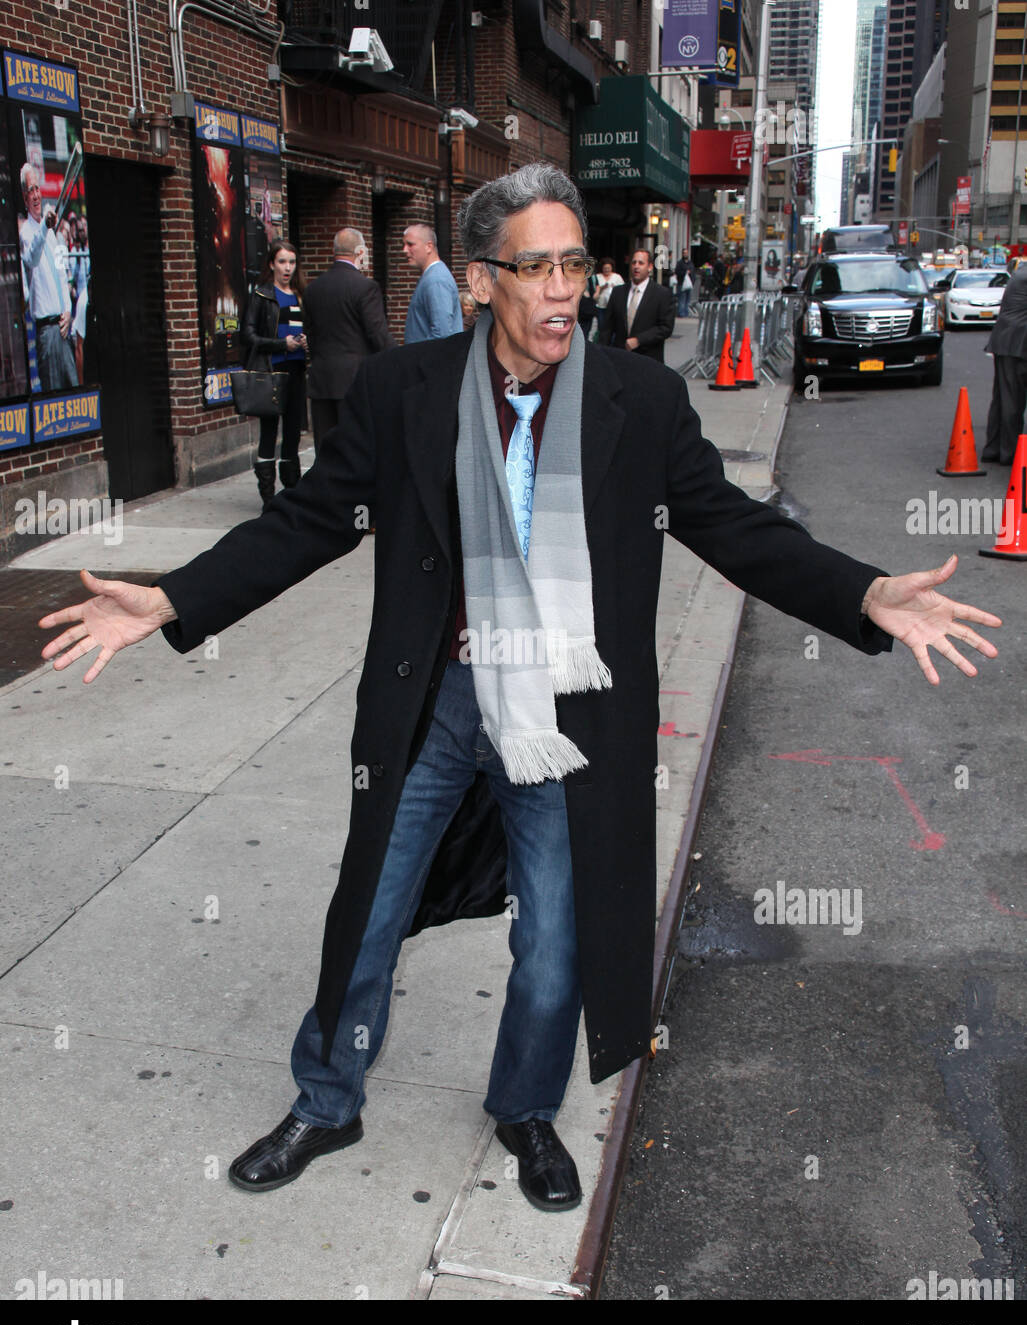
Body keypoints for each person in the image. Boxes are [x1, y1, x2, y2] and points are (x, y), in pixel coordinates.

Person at [39, 163, 1000, 1216]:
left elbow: (734, 527)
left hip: (566, 711)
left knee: (555, 943)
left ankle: (526, 1106)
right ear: (481, 278)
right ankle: (328, 1095)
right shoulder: (405, 390)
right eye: (533, 267)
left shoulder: (638, 399)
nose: (560, 291)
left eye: (573, 264)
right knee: (366, 910)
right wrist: (175, 599)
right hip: (435, 704)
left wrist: (863, 594)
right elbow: (306, 520)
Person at [303, 227, 397, 453]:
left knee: (325, 450)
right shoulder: (366, 287)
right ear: (359, 252)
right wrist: (397, 362)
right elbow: (378, 335)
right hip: (355, 381)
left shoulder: (313, 288)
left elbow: (312, 336)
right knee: (356, 449)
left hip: (322, 379)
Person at [241, 238, 308, 508]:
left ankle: (292, 494)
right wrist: (282, 344)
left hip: (297, 369)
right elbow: (248, 334)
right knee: (269, 432)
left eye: (291, 262)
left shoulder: (303, 295)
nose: (287, 267)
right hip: (272, 370)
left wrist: (306, 341)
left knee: (293, 432)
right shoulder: (261, 295)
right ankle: (268, 497)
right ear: (272, 264)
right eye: (282, 261)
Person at [19, 163, 77, 393]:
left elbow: (62, 275)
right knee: (53, 396)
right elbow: (32, 257)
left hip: (63, 327)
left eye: (37, 189)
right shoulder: (27, 233)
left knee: (74, 393)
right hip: (46, 332)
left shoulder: (51, 234)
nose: (35, 195)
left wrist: (68, 309)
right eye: (30, 191)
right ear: (25, 198)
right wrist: (44, 226)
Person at [982, 260, 1027, 467]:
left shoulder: (1022, 271)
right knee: (1011, 402)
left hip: (1007, 339)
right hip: (1016, 341)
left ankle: (994, 449)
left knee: (1002, 398)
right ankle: (1009, 453)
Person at [599, 247, 676, 362]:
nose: (636, 266)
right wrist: (602, 355)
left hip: (648, 360)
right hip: (620, 358)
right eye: (634, 262)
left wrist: (639, 340)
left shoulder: (662, 294)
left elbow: (665, 328)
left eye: (641, 263)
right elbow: (607, 328)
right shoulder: (618, 292)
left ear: (649, 267)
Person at [402, 222, 463, 342]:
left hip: (431, 359)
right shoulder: (433, 276)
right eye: (404, 245)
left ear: (429, 246)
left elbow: (442, 333)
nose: (404, 250)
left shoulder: (436, 280)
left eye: (410, 244)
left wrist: (420, 358)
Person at [591, 256, 623, 343]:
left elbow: (622, 291)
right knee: (602, 327)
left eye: (608, 268)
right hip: (600, 306)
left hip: (613, 307)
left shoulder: (617, 277)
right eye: (605, 268)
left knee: (613, 327)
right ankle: (602, 344)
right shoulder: (597, 277)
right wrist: (602, 288)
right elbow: (593, 292)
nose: (607, 270)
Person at [673, 250, 695, 318]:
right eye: (684, 253)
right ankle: (681, 313)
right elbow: (677, 272)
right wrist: (685, 272)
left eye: (686, 253)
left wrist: (692, 281)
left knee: (687, 300)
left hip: (689, 284)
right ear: (682, 254)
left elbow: (693, 272)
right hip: (681, 284)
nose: (685, 254)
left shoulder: (690, 263)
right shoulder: (680, 263)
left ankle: (686, 313)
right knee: (682, 299)